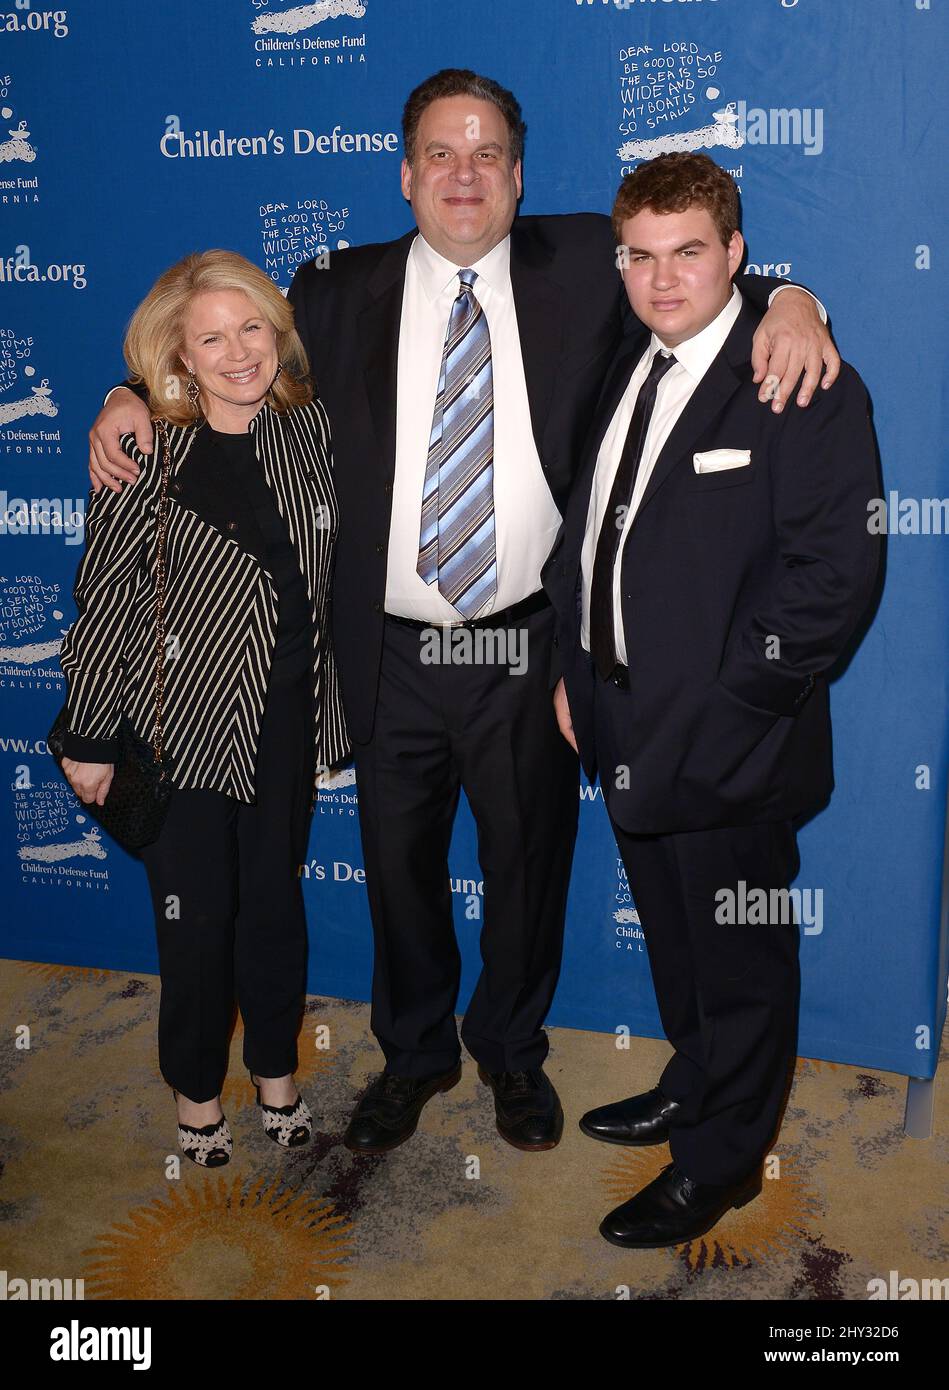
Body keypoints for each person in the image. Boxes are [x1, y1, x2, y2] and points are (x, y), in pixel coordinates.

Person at [87, 70, 838, 1157]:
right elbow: (220, 350)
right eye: (440, 152)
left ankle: (513, 1053)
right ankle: (417, 1053)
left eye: (487, 153)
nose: (464, 173)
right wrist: (123, 391)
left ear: (519, 176)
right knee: (398, 874)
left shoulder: (588, 260)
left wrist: (799, 301)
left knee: (529, 868)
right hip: (385, 652)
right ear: (404, 174)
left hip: (527, 645)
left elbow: (716, 281)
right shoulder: (334, 288)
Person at [542, 152, 880, 1246]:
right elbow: (589, 533)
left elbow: (834, 578)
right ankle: (693, 1081)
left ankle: (722, 1162)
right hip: (618, 717)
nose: (661, 279)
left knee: (741, 962)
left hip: (736, 743)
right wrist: (574, 664)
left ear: (735, 255)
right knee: (678, 941)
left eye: (689, 253)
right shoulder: (621, 351)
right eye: (638, 256)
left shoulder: (799, 373)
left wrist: (740, 703)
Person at [59, 250, 347, 1165]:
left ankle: (275, 1074)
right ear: (178, 356)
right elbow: (106, 594)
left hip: (284, 724)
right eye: (211, 337)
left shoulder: (312, 426)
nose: (237, 353)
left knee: (274, 910)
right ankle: (194, 1093)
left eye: (251, 327)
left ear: (277, 331)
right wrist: (93, 735)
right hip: (178, 732)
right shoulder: (147, 443)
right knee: (194, 921)